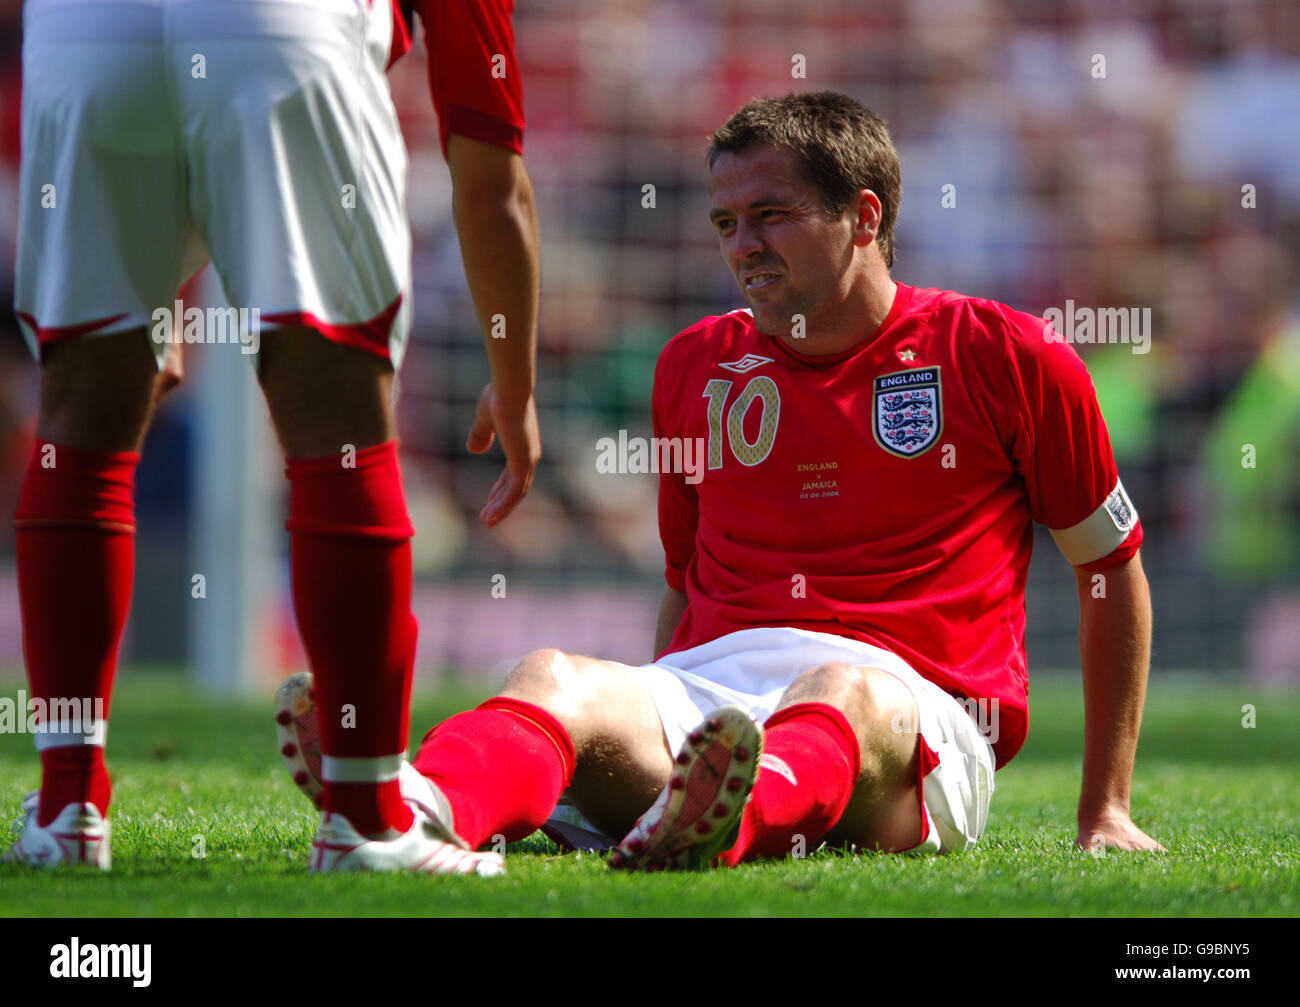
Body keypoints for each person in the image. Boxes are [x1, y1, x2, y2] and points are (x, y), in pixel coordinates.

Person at [278, 89, 1164, 872]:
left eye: (771, 214)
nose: (743, 246)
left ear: (863, 215)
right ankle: (409, 808)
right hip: (714, 700)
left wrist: (1107, 807)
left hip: (915, 716)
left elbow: (1109, 566)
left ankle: (712, 824)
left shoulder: (1005, 353)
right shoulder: (695, 364)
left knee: (841, 692)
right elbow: (683, 581)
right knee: (552, 674)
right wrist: (630, 729)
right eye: (725, 223)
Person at [4, 0, 539, 875]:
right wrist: (515, 386)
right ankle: (366, 818)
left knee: (81, 425)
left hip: (82, 28)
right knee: (337, 427)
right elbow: (491, 184)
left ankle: (67, 807)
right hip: (275, 29)